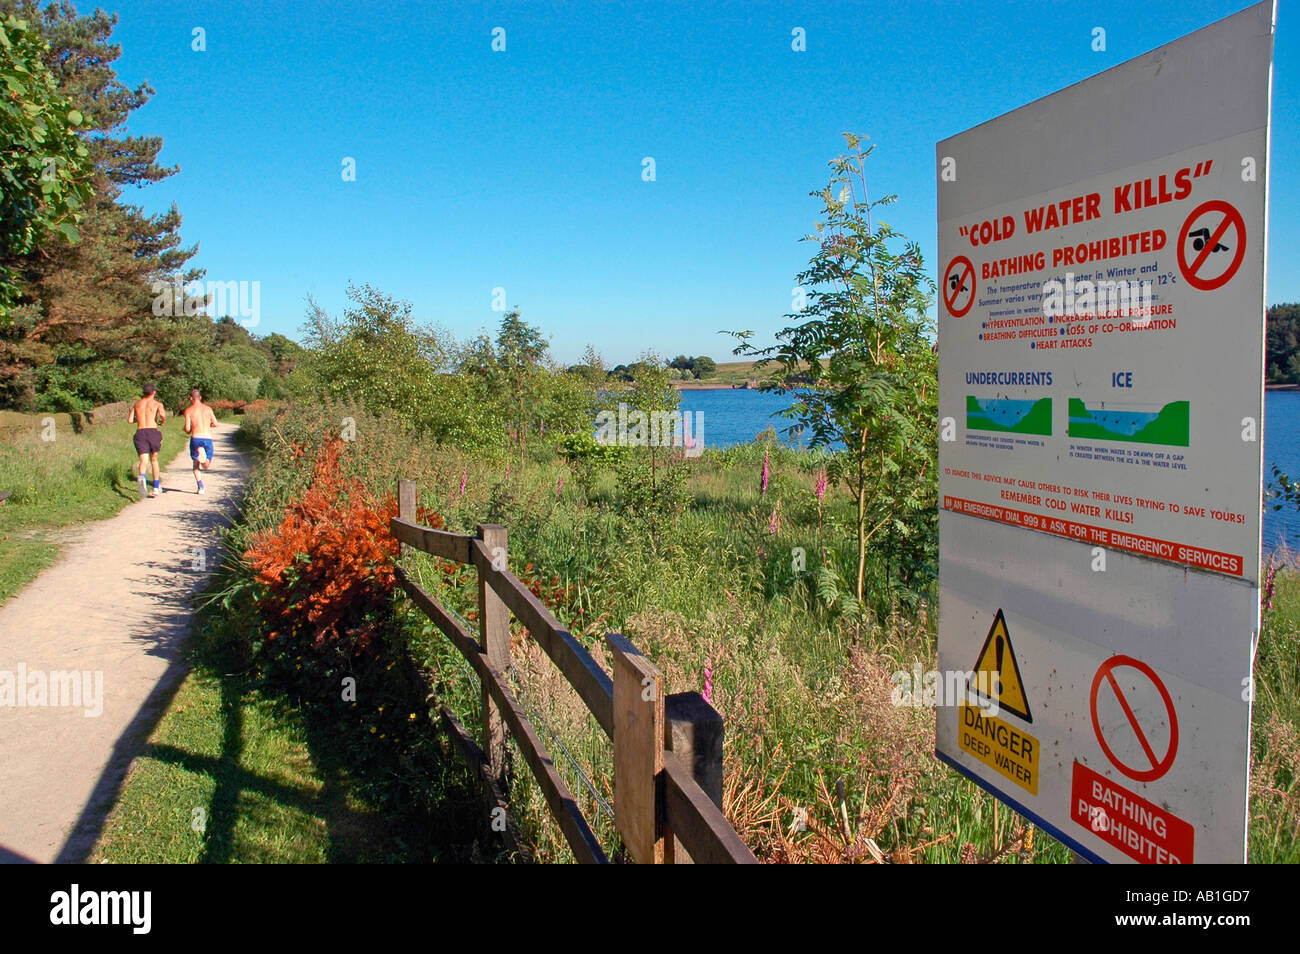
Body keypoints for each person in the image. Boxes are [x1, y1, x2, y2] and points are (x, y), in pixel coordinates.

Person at [128, 383, 166, 498]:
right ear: (153, 392)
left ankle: (142, 477)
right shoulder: (157, 404)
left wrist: (139, 419)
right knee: (154, 460)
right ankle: (155, 487)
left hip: (140, 432)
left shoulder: (137, 404)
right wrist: (162, 420)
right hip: (152, 431)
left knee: (143, 460)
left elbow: (130, 420)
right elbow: (163, 415)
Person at [182, 389, 218, 495]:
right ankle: (204, 460)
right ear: (200, 398)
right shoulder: (208, 409)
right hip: (207, 437)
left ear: (191, 398)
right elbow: (215, 423)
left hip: (196, 437)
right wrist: (208, 425)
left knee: (195, 464)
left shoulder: (188, 410)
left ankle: (200, 486)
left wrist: (187, 429)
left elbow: (188, 428)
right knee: (206, 465)